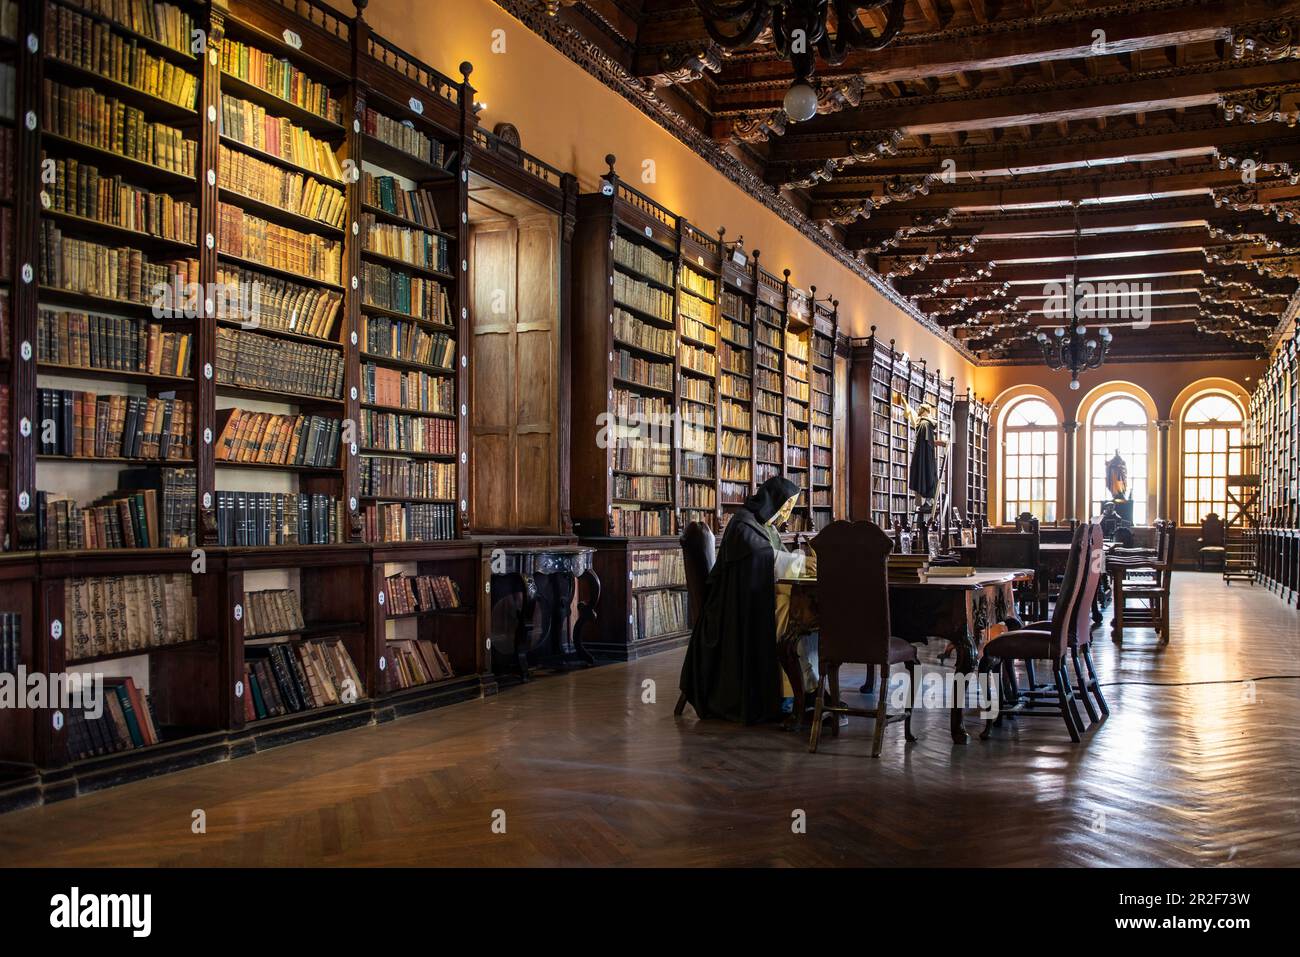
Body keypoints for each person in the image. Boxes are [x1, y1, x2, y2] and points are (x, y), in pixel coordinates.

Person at [677, 476, 813, 724]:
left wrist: (799, 560)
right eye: (785, 508)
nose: (786, 515)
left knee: (801, 612)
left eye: (789, 509)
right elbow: (765, 559)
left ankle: (805, 688)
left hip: (752, 599)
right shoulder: (742, 524)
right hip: (731, 608)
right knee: (790, 614)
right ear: (772, 501)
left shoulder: (766, 526)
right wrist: (802, 563)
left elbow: (777, 558)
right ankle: (791, 694)